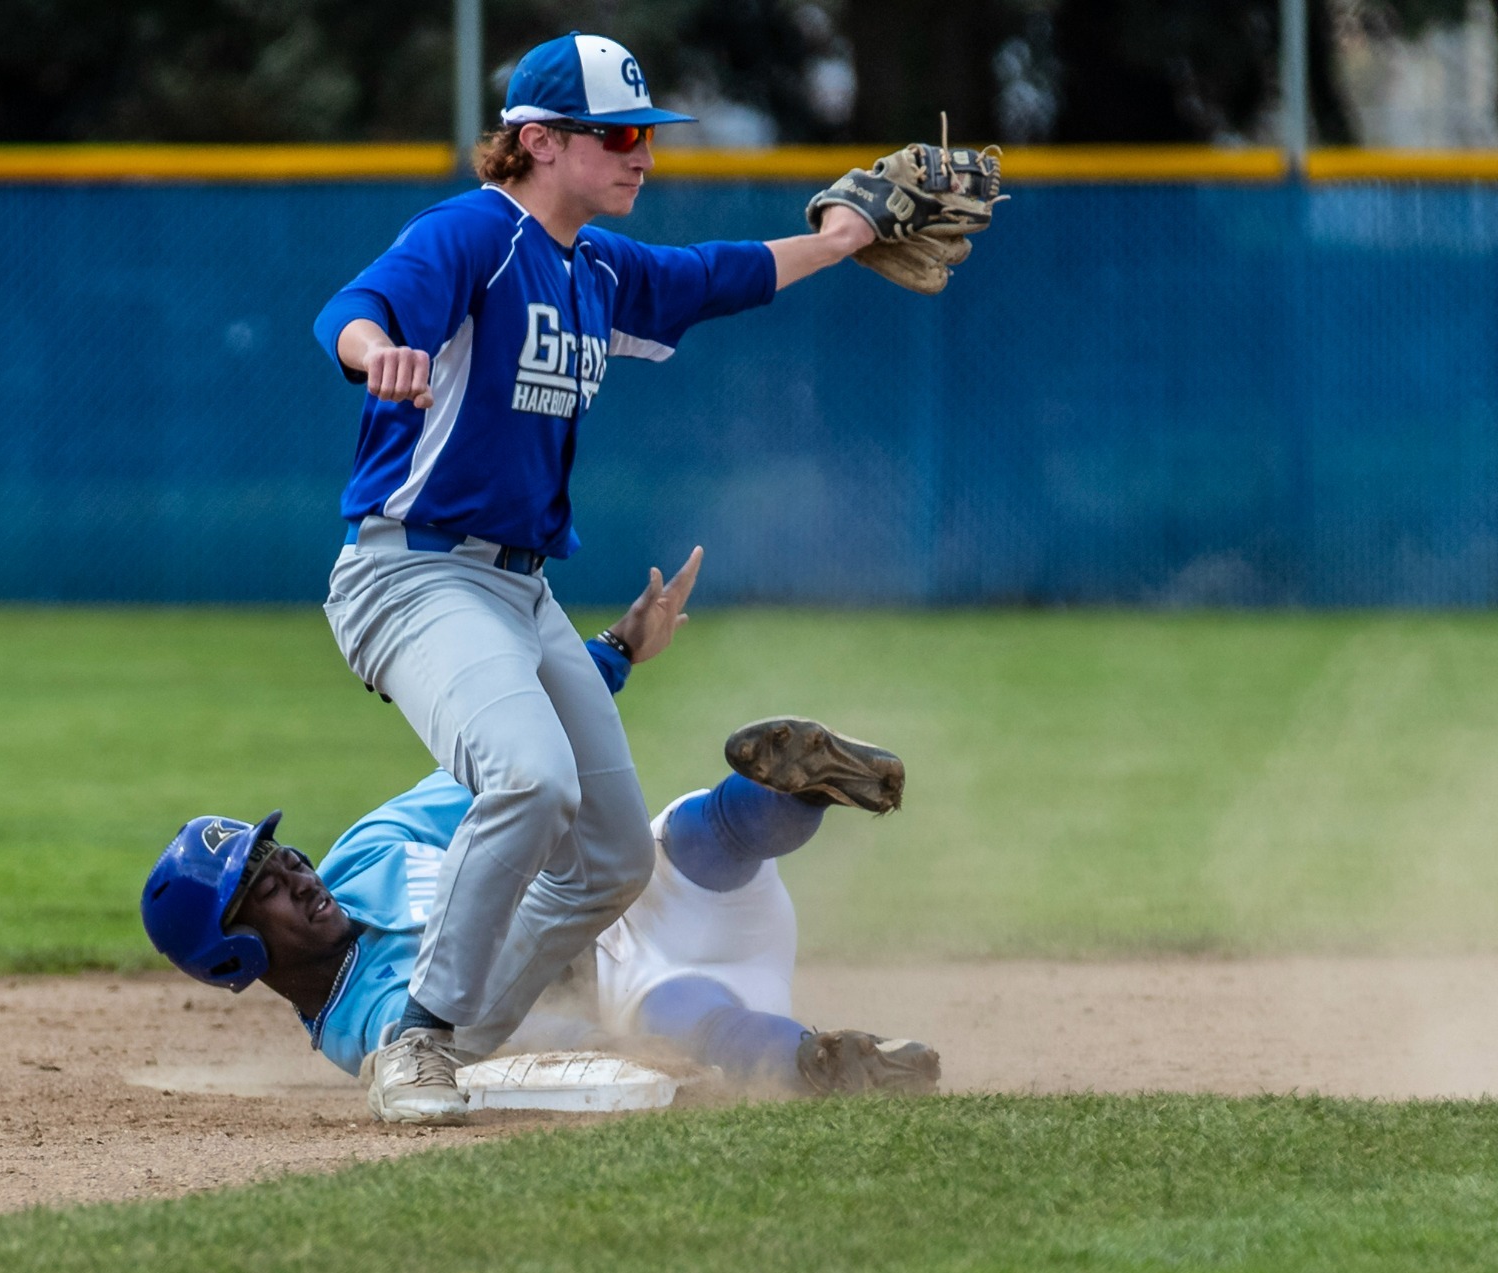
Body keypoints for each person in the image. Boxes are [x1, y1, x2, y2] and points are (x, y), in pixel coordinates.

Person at [310, 31, 882, 1119]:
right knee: (528, 778)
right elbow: (352, 306)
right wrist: (370, 351)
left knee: (614, 854)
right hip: (411, 575)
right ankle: (419, 1041)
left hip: (520, 592)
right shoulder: (474, 234)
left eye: (646, 136)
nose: (642, 155)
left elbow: (718, 277)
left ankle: (447, 1036)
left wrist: (843, 236)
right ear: (536, 141)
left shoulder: (594, 267)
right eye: (618, 135)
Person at [141, 564, 938, 1124]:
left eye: (278, 853)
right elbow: (511, 1033)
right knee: (685, 1016)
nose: (295, 871)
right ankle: (834, 1062)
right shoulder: (376, 1029)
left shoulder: (368, 847)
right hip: (630, 986)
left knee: (702, 831)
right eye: (262, 886)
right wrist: (620, 1053)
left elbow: (509, 763)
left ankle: (805, 786)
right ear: (234, 957)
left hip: (629, 893)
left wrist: (614, 654)